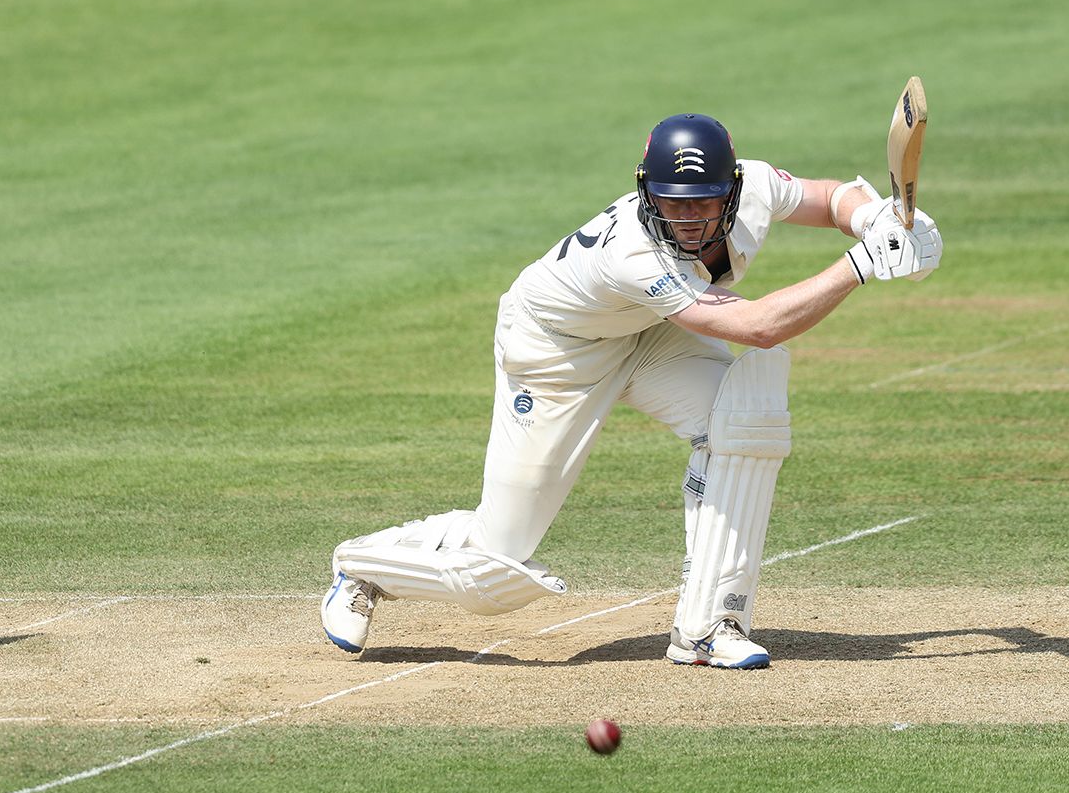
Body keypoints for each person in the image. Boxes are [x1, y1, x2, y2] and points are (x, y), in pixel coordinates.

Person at [321, 113, 942, 668]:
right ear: (647, 191)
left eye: (703, 202)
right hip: (557, 353)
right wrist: (863, 263)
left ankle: (709, 627)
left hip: (651, 334)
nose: (688, 218)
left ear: (732, 190)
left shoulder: (754, 184)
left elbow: (830, 197)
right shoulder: (632, 252)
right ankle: (363, 567)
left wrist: (875, 218)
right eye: (673, 203)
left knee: (744, 421)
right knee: (496, 568)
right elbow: (758, 326)